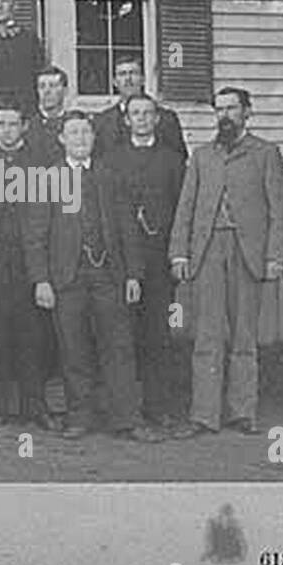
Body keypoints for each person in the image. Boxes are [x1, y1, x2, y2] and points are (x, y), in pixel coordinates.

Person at [23, 111, 162, 442]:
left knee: (118, 347)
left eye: (86, 132)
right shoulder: (47, 179)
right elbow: (35, 235)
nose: (81, 139)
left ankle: (126, 418)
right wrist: (41, 280)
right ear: (62, 139)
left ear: (94, 138)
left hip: (107, 275)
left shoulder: (110, 176)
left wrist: (133, 275)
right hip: (66, 276)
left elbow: (128, 229)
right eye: (73, 133)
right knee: (74, 349)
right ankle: (79, 417)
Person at [168, 88, 283, 438]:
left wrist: (275, 256)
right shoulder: (203, 156)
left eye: (231, 108)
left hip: (247, 250)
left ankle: (242, 412)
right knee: (206, 335)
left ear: (247, 112)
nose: (225, 115)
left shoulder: (265, 153)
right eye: (219, 109)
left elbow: (279, 211)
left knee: (244, 335)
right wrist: (180, 252)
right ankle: (204, 415)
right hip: (207, 250)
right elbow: (186, 207)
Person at [0, 94, 57, 427]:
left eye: (13, 124)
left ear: (25, 126)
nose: (7, 130)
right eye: (1, 124)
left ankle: (35, 405)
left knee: (33, 334)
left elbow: (50, 212)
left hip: (29, 260)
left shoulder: (39, 162)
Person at [107, 92, 189, 427]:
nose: (141, 119)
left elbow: (183, 210)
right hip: (122, 261)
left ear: (157, 119)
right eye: (135, 114)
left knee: (160, 332)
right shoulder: (111, 160)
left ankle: (159, 406)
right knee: (122, 336)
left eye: (147, 113)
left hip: (159, 260)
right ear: (126, 120)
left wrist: (178, 255)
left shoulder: (172, 160)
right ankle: (125, 409)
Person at [92, 57, 187, 161]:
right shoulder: (101, 122)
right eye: (122, 74)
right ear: (115, 82)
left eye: (133, 73)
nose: (128, 79)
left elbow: (179, 158)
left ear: (143, 79)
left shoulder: (167, 119)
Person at [24, 64, 70, 165]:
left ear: (65, 90)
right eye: (42, 86)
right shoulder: (27, 126)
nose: (47, 91)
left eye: (53, 86)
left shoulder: (73, 125)